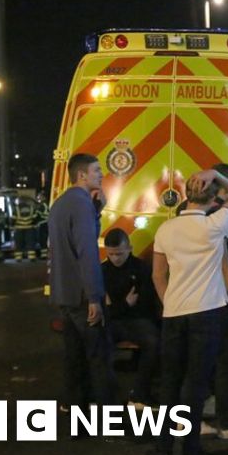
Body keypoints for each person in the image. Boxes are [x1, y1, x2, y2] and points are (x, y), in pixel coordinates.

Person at [151, 168, 228, 455]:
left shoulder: (165, 230)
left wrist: (170, 303)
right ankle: (191, 450)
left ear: (187, 195)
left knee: (170, 382)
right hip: (207, 313)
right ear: (214, 199)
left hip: (174, 314)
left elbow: (158, 276)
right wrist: (215, 173)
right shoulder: (215, 224)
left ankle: (163, 447)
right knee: (196, 384)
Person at [48, 153, 118, 413]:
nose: (101, 175)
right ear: (81, 175)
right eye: (96, 170)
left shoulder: (62, 203)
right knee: (99, 356)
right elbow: (87, 251)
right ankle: (110, 415)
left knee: (74, 354)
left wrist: (96, 212)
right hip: (81, 295)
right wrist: (94, 297)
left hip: (64, 293)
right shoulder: (81, 204)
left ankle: (74, 405)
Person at [101, 228, 161, 409]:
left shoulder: (141, 269)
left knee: (154, 343)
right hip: (114, 322)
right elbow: (106, 309)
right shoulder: (102, 271)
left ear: (129, 249)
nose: (115, 258)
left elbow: (145, 303)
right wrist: (126, 304)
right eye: (111, 254)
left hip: (137, 321)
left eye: (119, 253)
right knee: (95, 343)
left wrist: (116, 306)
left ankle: (140, 394)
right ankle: (103, 396)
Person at [12, 195, 39, 261]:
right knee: (30, 243)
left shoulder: (16, 209)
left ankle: (18, 258)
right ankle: (31, 257)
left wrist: (11, 226)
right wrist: (34, 225)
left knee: (19, 243)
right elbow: (35, 218)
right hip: (30, 228)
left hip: (19, 228)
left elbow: (13, 219)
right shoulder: (31, 208)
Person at [35, 192, 50, 260]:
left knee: (43, 240)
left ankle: (44, 255)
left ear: (43, 197)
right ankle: (44, 255)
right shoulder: (46, 204)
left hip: (43, 224)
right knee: (44, 239)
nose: (38, 198)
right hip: (45, 224)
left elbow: (37, 215)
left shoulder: (42, 205)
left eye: (39, 197)